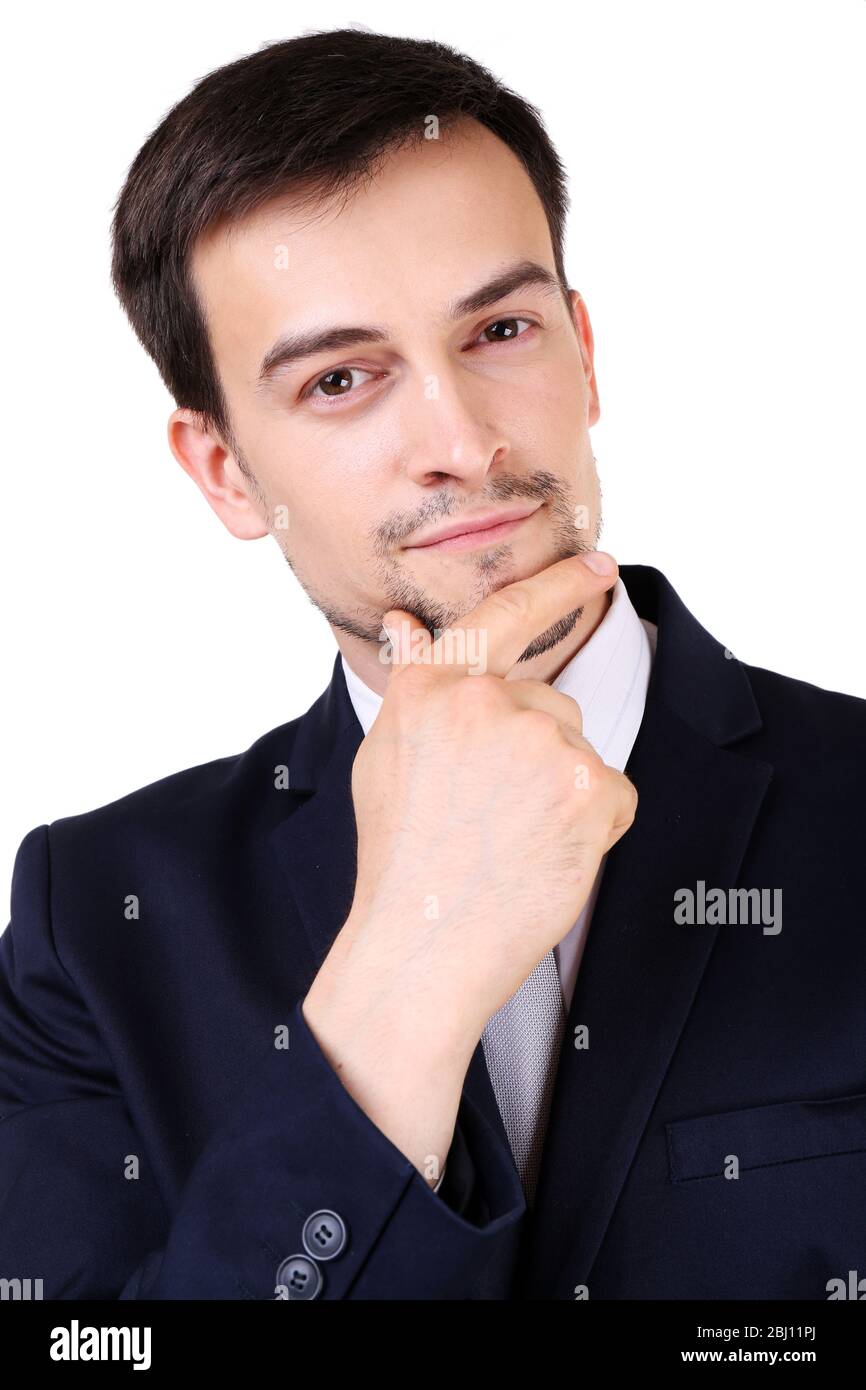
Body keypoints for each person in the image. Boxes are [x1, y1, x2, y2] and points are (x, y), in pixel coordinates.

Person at [1, 28, 864, 1301]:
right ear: (225, 471)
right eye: (342, 378)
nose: (460, 442)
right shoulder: (96, 918)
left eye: (500, 329)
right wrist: (407, 967)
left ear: (582, 349)